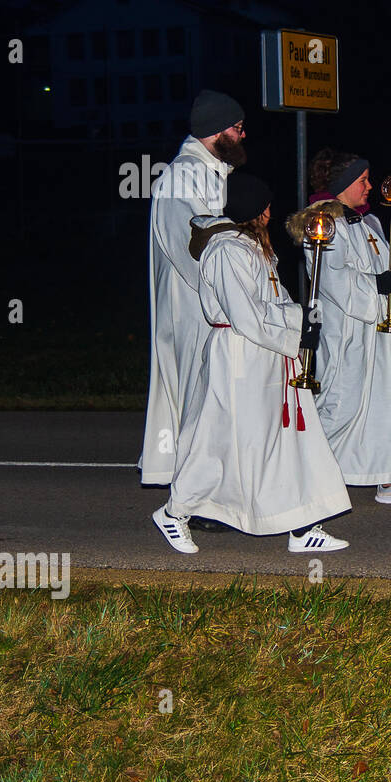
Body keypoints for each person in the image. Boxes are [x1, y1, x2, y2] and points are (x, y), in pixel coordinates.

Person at [152, 173, 351, 554]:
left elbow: (269, 304)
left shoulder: (252, 247)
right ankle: (174, 512)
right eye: (267, 207)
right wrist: (295, 336)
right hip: (238, 357)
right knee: (219, 441)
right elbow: (245, 317)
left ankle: (301, 525)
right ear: (257, 212)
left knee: (288, 442)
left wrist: (300, 318)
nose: (272, 213)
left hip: (266, 356)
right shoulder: (228, 251)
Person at [285, 149, 391, 504]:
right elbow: (335, 282)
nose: (370, 186)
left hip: (380, 330)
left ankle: (388, 477)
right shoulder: (323, 225)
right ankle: (304, 472)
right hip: (348, 331)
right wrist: (377, 294)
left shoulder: (370, 223)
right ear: (341, 184)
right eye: (362, 180)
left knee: (388, 400)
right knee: (343, 405)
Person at [139, 89, 246, 487]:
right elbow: (190, 243)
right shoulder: (180, 176)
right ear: (215, 130)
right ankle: (195, 494)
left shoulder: (212, 171)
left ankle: (212, 486)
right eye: (237, 127)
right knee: (197, 397)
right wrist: (230, 287)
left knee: (214, 397)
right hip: (193, 309)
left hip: (215, 305)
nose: (242, 135)